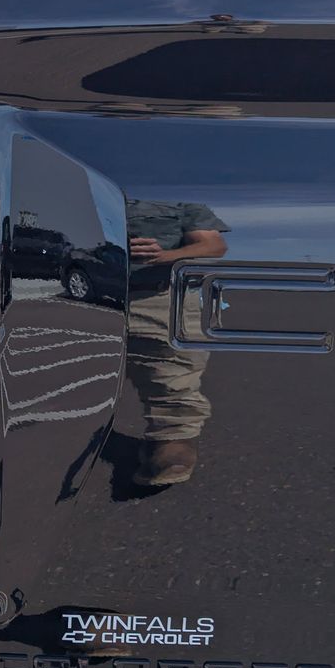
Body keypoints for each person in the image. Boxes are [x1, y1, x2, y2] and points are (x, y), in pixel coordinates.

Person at [125, 200, 229, 486]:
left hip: (157, 296)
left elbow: (213, 246)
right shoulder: (78, 194)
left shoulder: (181, 206)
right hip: (77, 291)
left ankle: (172, 442)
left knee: (170, 374)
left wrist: (164, 255)